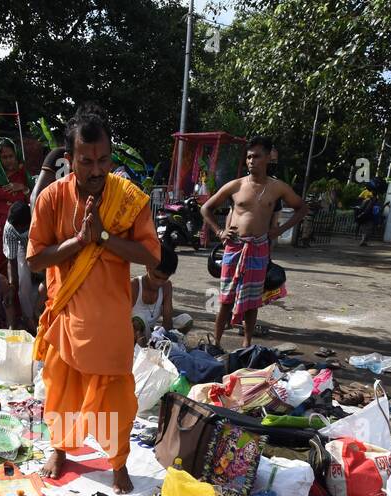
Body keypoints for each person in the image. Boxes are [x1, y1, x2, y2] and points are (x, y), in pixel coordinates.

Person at [26, 103, 162, 494]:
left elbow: (150, 256)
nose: (97, 169)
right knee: (62, 391)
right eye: (87, 161)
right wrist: (79, 241)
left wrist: (104, 237)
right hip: (67, 318)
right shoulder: (51, 199)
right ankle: (61, 448)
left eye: (104, 160)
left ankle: (117, 461)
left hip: (110, 322)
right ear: (69, 160)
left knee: (116, 400)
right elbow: (35, 259)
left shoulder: (129, 199)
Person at [203, 136, 307, 349]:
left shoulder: (278, 187)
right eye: (249, 157)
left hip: (259, 249)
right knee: (225, 299)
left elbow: (301, 208)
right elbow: (206, 209)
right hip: (234, 248)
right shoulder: (236, 185)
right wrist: (220, 232)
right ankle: (217, 342)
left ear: (269, 158)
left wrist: (279, 230)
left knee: (252, 301)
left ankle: (247, 343)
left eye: (257, 156)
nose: (251, 161)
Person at [0, 137, 30, 273]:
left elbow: (32, 199)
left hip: (20, 230)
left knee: (21, 270)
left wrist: (22, 187)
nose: (8, 160)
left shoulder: (22, 174)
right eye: (4, 157)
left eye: (11, 156)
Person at [2, 199, 37, 328]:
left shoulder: (38, 218)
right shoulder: (10, 228)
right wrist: (12, 286)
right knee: (23, 282)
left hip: (43, 244)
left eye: (20, 228)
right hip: (23, 246)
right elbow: (11, 259)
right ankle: (29, 318)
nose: (17, 229)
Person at [130, 243, 178, 334]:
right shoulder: (134, 286)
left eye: (165, 278)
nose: (159, 283)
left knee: (186, 320)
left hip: (153, 334)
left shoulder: (166, 287)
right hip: (132, 334)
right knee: (139, 320)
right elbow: (120, 321)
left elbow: (167, 321)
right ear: (147, 267)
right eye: (156, 276)